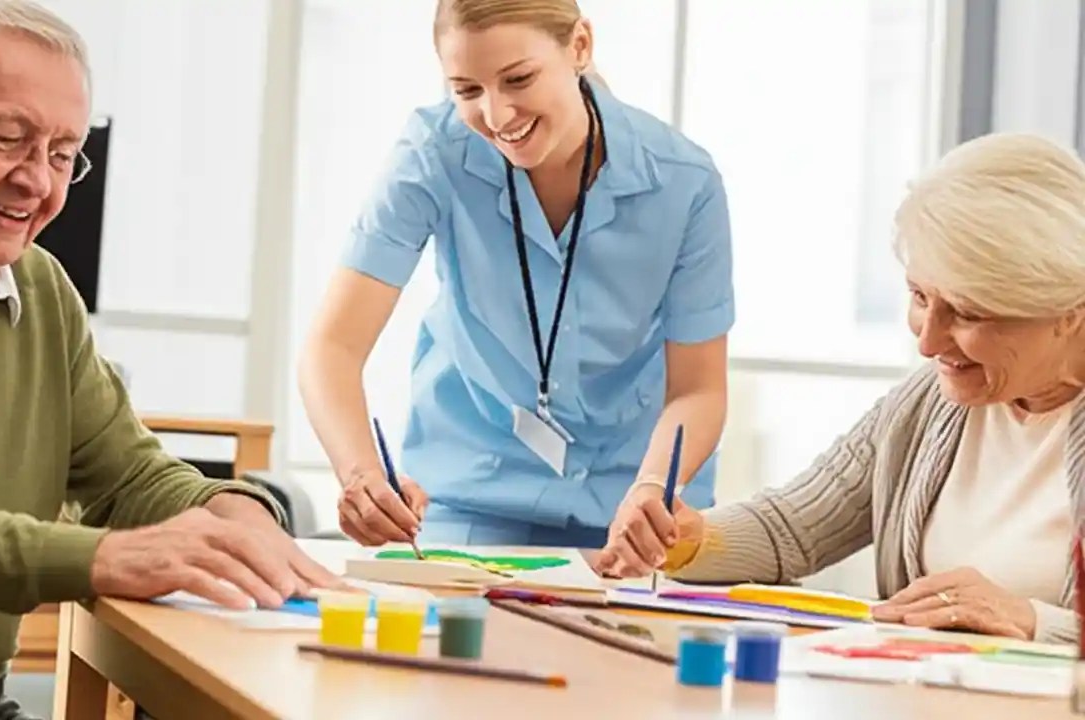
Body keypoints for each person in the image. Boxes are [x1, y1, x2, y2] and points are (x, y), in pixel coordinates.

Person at [0, 1, 337, 717]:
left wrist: (228, 511)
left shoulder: (40, 287)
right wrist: (95, 559)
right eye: (6, 137)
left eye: (62, 154)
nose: (38, 182)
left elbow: (128, 476)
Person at [298, 0, 734, 563]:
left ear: (579, 46)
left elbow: (698, 388)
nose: (498, 115)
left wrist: (654, 488)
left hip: (634, 518)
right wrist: (361, 474)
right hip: (469, 507)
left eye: (518, 79)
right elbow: (332, 347)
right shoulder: (433, 153)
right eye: (466, 90)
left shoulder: (685, 182)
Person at [614, 132, 1085, 644]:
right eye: (920, 297)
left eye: (968, 313)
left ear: (1066, 313)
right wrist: (687, 539)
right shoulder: (926, 406)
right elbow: (793, 528)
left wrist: (1036, 623)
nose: (927, 343)